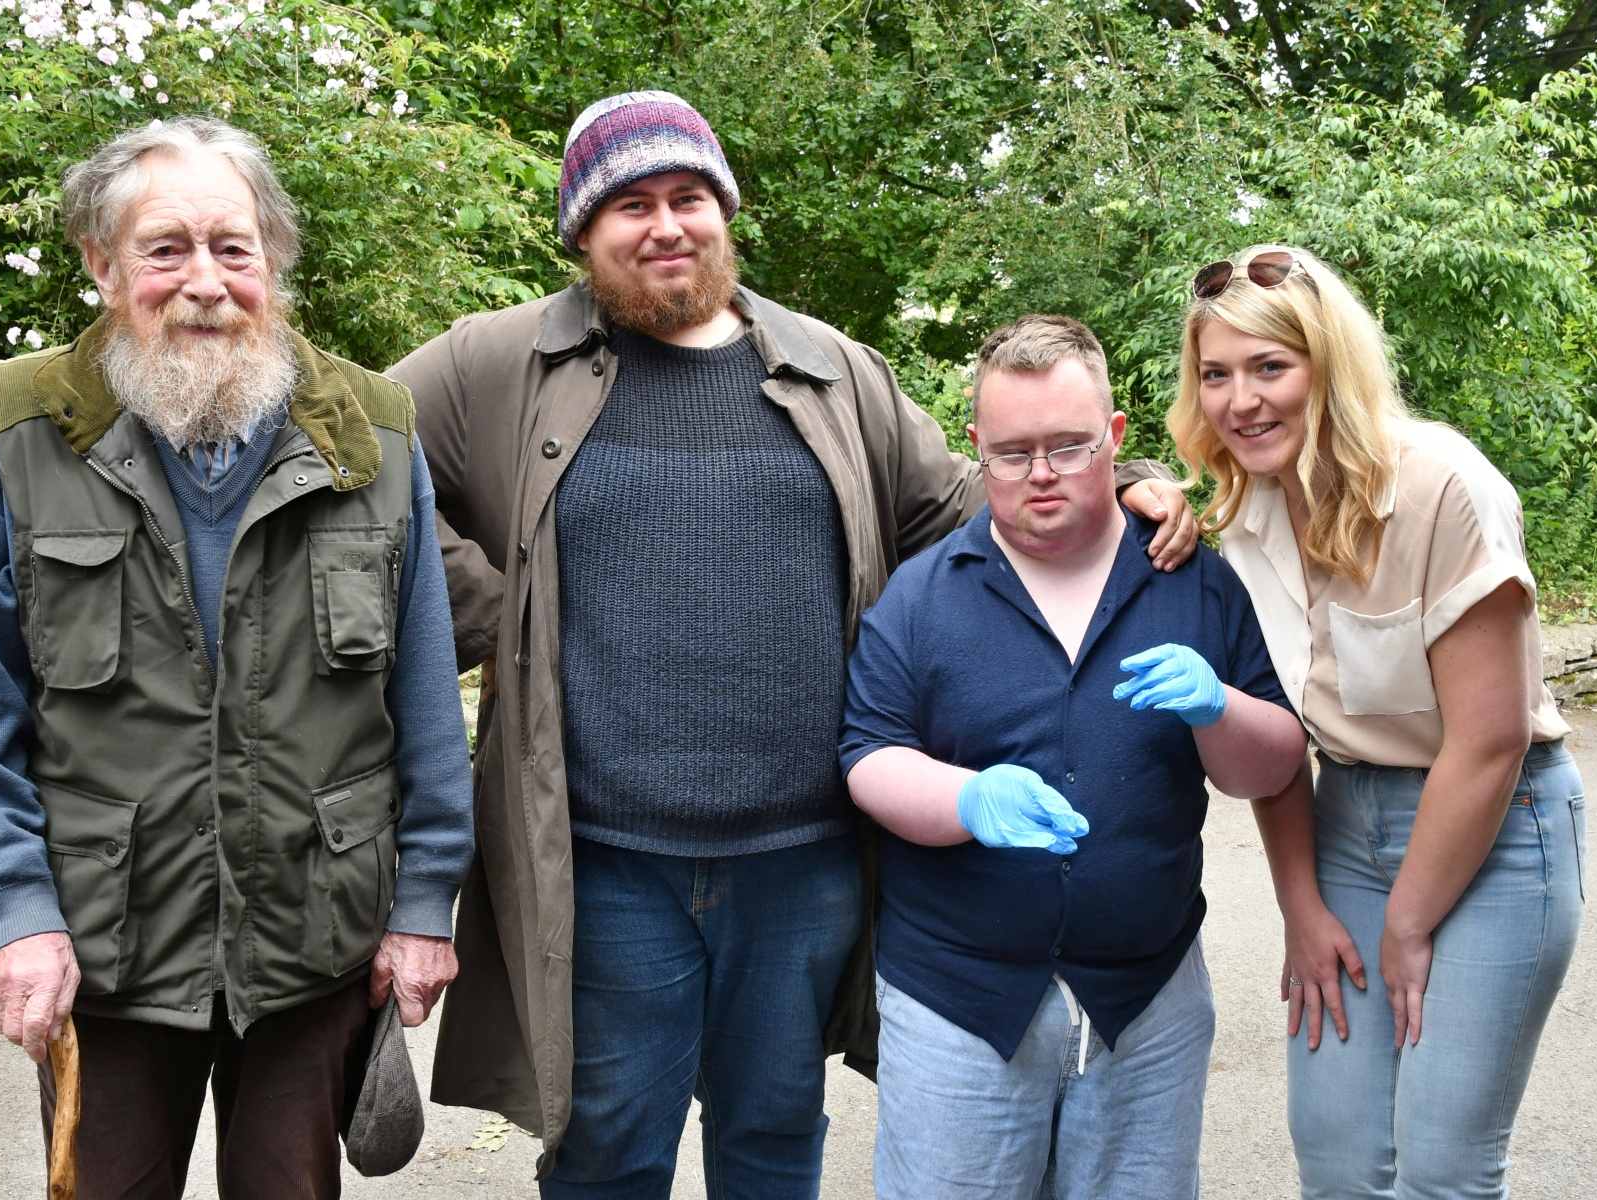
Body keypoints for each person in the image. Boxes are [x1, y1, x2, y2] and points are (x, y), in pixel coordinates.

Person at [388, 92, 1197, 1197]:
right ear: (583, 233)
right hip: (605, 861)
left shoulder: (832, 369)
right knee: (608, 1150)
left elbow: (970, 510)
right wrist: (493, 610)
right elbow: (365, 470)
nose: (666, 225)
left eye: (688, 197)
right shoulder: (498, 362)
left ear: (727, 211)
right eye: (631, 205)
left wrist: (1130, 485)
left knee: (774, 1142)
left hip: (806, 857)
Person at [0, 117, 474, 1200]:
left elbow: (425, 699)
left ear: (276, 262)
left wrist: (422, 903)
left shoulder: (373, 434)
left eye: (234, 247)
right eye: (165, 248)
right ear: (103, 266)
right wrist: (16, 916)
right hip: (108, 953)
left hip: (315, 947)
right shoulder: (25, 429)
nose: (204, 281)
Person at [841, 314, 1308, 1198]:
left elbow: (1271, 767)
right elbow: (868, 756)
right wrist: (965, 799)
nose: (1042, 475)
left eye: (1069, 446)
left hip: (1148, 1003)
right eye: (1013, 454)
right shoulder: (921, 596)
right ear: (977, 448)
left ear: (1117, 437)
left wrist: (1221, 709)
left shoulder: (1194, 577)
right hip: (957, 1003)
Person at [1169, 245, 1585, 1198]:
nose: (1242, 401)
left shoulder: (1444, 486)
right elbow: (1278, 746)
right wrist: (1301, 908)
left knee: (1442, 1167)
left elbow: (1490, 739)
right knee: (1340, 1157)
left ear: (1330, 366)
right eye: (1216, 375)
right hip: (1346, 826)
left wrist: (1407, 923)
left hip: (1497, 830)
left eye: (1271, 367)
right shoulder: (1246, 512)